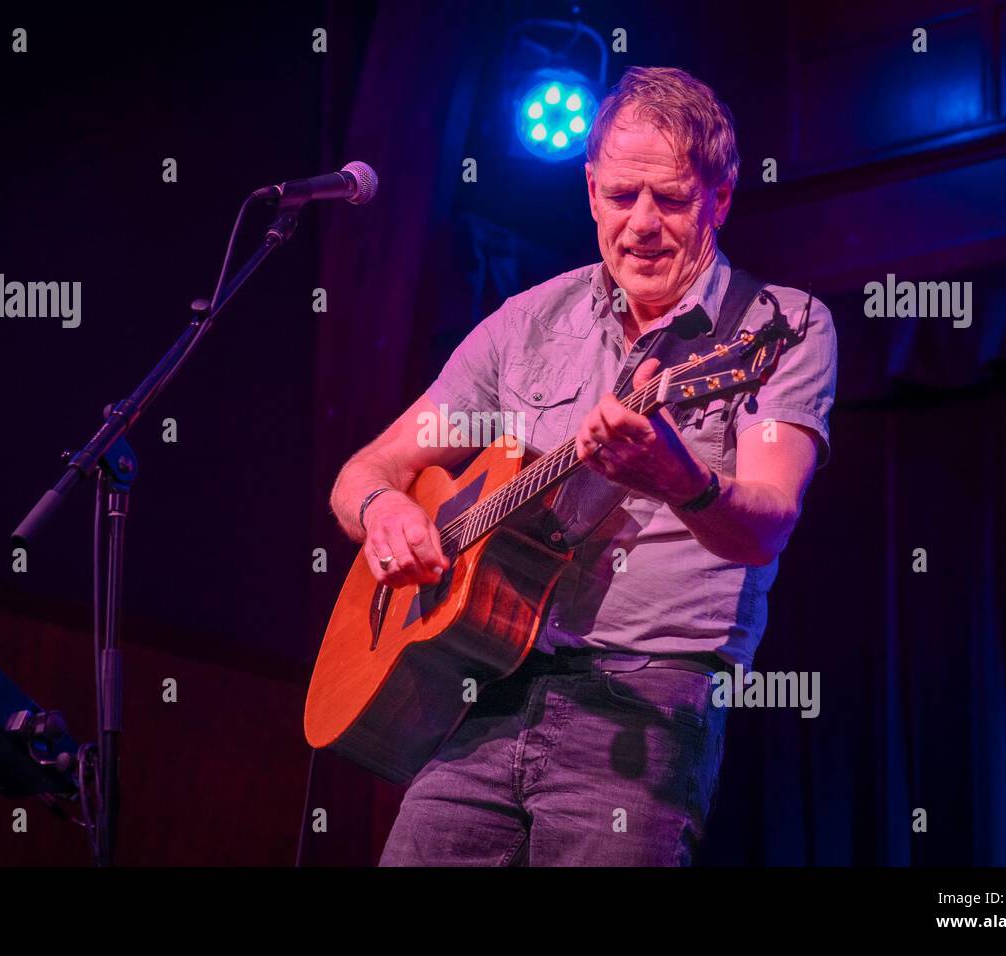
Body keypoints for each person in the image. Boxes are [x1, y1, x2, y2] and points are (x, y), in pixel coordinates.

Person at [329, 66, 837, 865]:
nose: (641, 223)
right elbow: (369, 469)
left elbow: (764, 526)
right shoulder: (527, 323)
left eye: (670, 199)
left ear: (721, 198)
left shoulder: (778, 327)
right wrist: (384, 512)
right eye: (621, 195)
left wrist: (683, 478)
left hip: (645, 704)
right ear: (590, 190)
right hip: (480, 691)